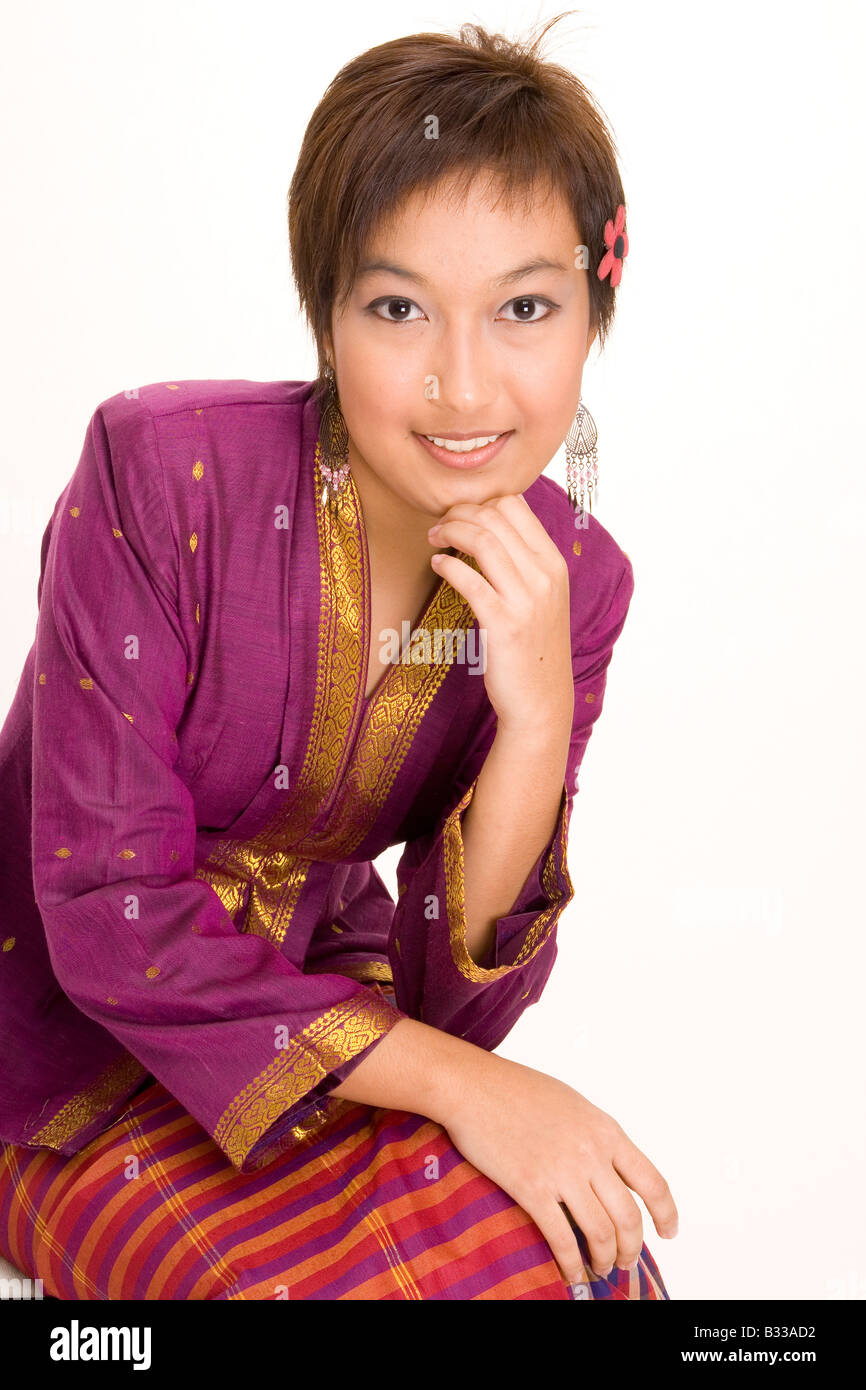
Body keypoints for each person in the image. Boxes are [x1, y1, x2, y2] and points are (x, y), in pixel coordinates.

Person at [0, 17, 677, 1300]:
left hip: (328, 1010)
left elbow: (451, 999)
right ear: (323, 311)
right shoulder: (162, 475)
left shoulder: (574, 584)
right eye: (399, 307)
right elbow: (106, 916)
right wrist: (471, 1091)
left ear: (595, 310)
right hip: (52, 1044)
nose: (462, 384)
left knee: (572, 1268)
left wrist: (533, 720)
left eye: (524, 307)